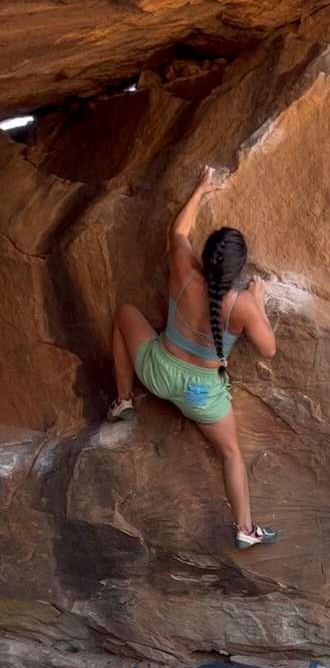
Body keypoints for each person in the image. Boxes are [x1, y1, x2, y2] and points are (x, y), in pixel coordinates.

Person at [108, 166, 278, 551]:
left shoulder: (184, 270)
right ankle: (245, 529)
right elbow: (268, 349)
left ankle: (123, 400)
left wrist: (202, 189)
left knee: (124, 315)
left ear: (204, 256)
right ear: (239, 269)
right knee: (231, 454)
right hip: (202, 394)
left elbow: (178, 232)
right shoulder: (243, 303)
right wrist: (261, 304)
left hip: (158, 371)